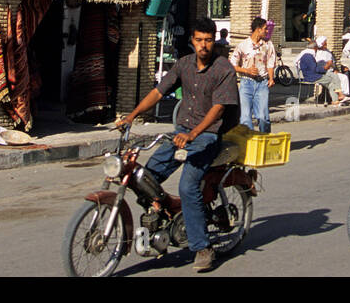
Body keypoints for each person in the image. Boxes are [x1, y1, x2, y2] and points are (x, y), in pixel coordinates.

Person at [115, 17, 239, 273]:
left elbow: (218, 110)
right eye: (199, 40)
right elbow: (159, 92)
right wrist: (131, 115)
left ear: (213, 41)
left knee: (187, 186)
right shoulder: (184, 64)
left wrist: (194, 134)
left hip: (207, 136)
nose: (203, 45)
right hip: (182, 132)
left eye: (207, 40)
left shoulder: (223, 68)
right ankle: (163, 215)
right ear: (192, 41)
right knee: (146, 177)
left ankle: (202, 247)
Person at [230, 16, 277, 133]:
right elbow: (232, 65)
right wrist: (246, 71)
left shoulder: (268, 45)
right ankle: (249, 143)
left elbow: (270, 63)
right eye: (265, 29)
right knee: (245, 117)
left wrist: (271, 78)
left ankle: (264, 140)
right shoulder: (243, 45)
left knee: (263, 117)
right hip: (246, 83)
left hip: (262, 83)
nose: (267, 31)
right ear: (258, 29)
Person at [298, 35, 349, 105]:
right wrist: (326, 67)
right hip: (312, 77)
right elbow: (315, 69)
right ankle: (338, 97)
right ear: (314, 48)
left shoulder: (308, 55)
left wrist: (328, 67)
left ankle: (337, 98)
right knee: (333, 80)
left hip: (316, 74)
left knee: (333, 78)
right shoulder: (308, 56)